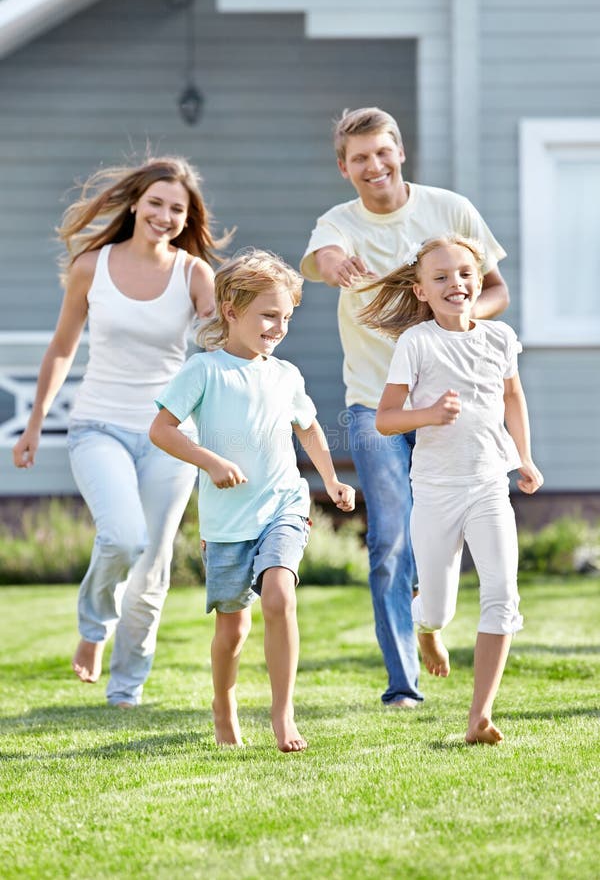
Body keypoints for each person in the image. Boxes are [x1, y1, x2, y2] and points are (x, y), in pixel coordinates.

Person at [300, 106, 510, 708]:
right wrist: (332, 262)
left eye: (381, 152)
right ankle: (403, 684)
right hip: (374, 404)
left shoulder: (451, 210)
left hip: (450, 402)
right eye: (359, 158)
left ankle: (430, 618)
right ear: (344, 168)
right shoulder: (338, 224)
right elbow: (319, 259)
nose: (373, 165)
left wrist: (457, 320)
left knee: (448, 529)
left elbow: (495, 290)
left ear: (400, 151)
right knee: (391, 536)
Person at [13, 155, 226, 707]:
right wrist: (35, 421)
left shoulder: (192, 273)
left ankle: (125, 689)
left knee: (153, 565)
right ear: (135, 203)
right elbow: (62, 347)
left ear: (186, 218)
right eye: (156, 202)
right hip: (97, 426)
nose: (165, 214)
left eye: (177, 209)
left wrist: (223, 325)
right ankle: (92, 627)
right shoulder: (93, 266)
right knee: (123, 536)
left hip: (168, 434)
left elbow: (214, 333)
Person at [149, 249, 355, 752]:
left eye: (286, 316)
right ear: (231, 310)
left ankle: (283, 715)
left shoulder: (286, 375)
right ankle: (224, 704)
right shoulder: (204, 371)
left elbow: (308, 431)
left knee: (281, 595)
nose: (279, 326)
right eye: (269, 314)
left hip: (284, 505)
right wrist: (211, 462)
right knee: (233, 631)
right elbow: (161, 430)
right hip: (227, 522)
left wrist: (329, 481)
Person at [360, 234, 543, 743]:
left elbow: (513, 397)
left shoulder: (500, 338)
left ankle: (479, 716)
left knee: (503, 595)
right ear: (420, 291)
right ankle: (427, 627)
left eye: (464, 272)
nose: (455, 283)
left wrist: (524, 458)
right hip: (436, 491)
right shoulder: (416, 343)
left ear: (479, 278)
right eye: (440, 277)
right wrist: (430, 414)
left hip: (489, 484)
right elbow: (385, 420)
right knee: (439, 606)